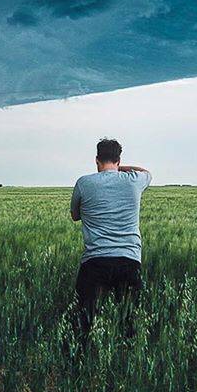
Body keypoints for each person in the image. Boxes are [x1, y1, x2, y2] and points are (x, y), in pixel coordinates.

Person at [69, 137, 151, 345]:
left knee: (83, 321)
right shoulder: (133, 180)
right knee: (129, 320)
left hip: (95, 262)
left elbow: (75, 215)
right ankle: (127, 361)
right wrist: (118, 168)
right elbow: (147, 173)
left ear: (96, 160)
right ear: (118, 159)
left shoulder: (84, 183)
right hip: (129, 260)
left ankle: (79, 365)